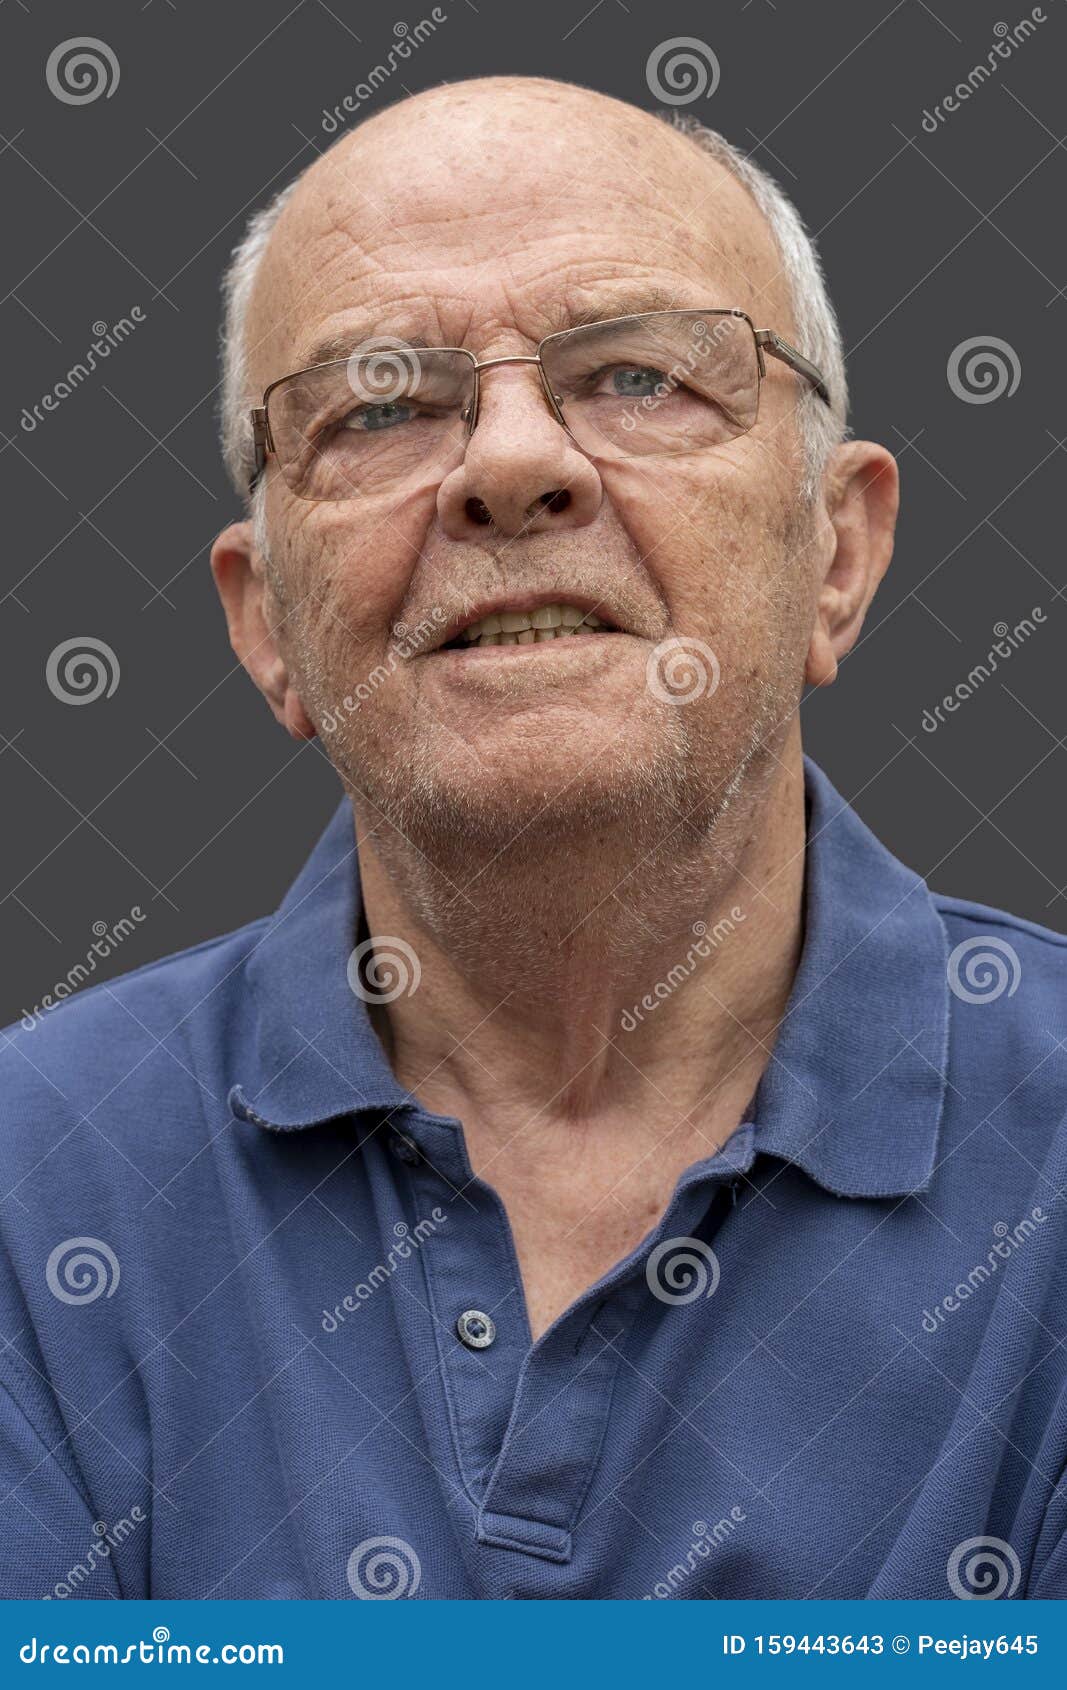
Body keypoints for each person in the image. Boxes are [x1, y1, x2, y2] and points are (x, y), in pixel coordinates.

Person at [2, 76, 1064, 1602]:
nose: (509, 460)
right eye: (379, 404)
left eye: (635, 375)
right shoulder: (32, 1185)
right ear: (265, 625)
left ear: (839, 549)